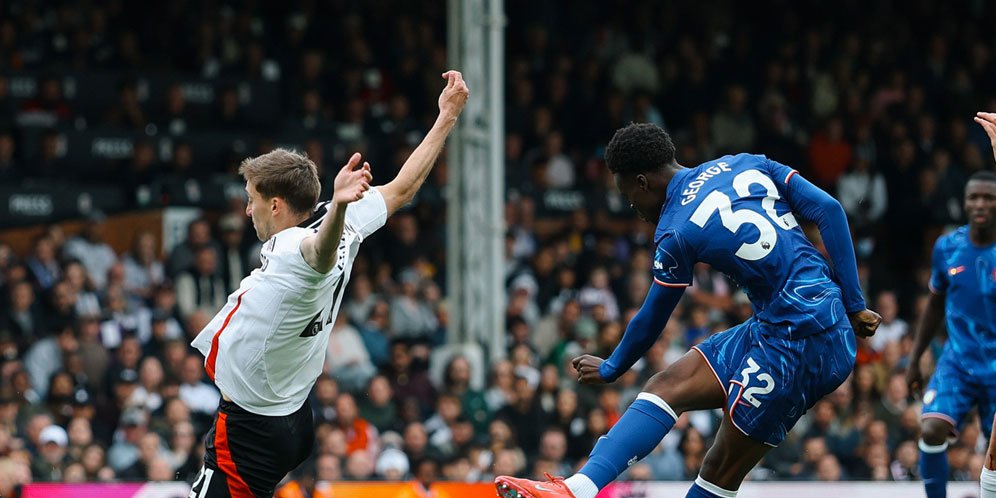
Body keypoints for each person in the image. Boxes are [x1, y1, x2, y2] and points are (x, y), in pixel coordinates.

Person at [495, 123, 881, 498]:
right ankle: (576, 489)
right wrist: (854, 303)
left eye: (629, 195)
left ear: (643, 182)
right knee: (667, 386)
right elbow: (830, 209)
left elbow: (653, 315)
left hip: (801, 345)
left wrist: (613, 367)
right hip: (793, 320)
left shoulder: (675, 229)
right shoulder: (745, 162)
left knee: (719, 471)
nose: (633, 206)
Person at [187, 70, 468, 498]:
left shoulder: (299, 244)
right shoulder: (347, 218)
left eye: (252, 200)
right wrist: (446, 117)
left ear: (276, 205)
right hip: (294, 414)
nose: (247, 210)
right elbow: (402, 189)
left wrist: (337, 206)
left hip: (250, 429)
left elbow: (318, 257)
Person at [922, 111, 996, 498]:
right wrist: (918, 354)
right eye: (973, 198)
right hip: (959, 360)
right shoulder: (948, 246)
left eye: (988, 197)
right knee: (931, 428)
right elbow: (934, 304)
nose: (980, 204)